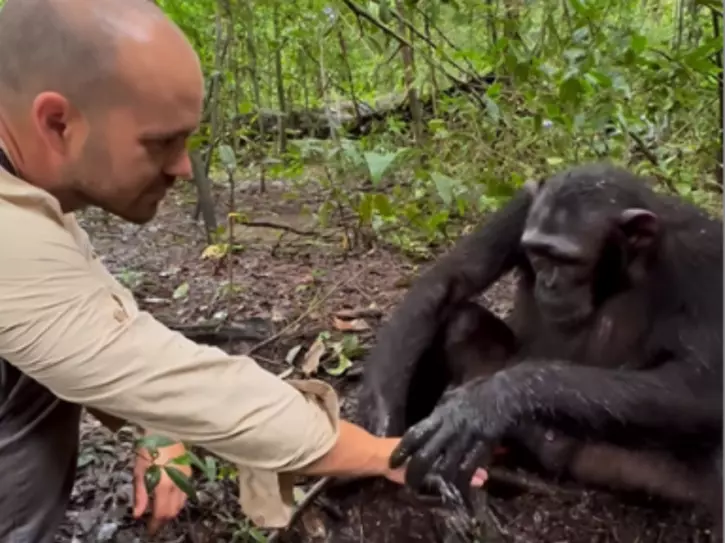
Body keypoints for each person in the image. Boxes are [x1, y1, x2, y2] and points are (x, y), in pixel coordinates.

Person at [0, 0, 487, 540]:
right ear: (57, 122)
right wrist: (384, 454)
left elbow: (92, 326)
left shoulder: (27, 197)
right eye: (161, 142)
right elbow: (194, 386)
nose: (184, 168)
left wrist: (157, 425)